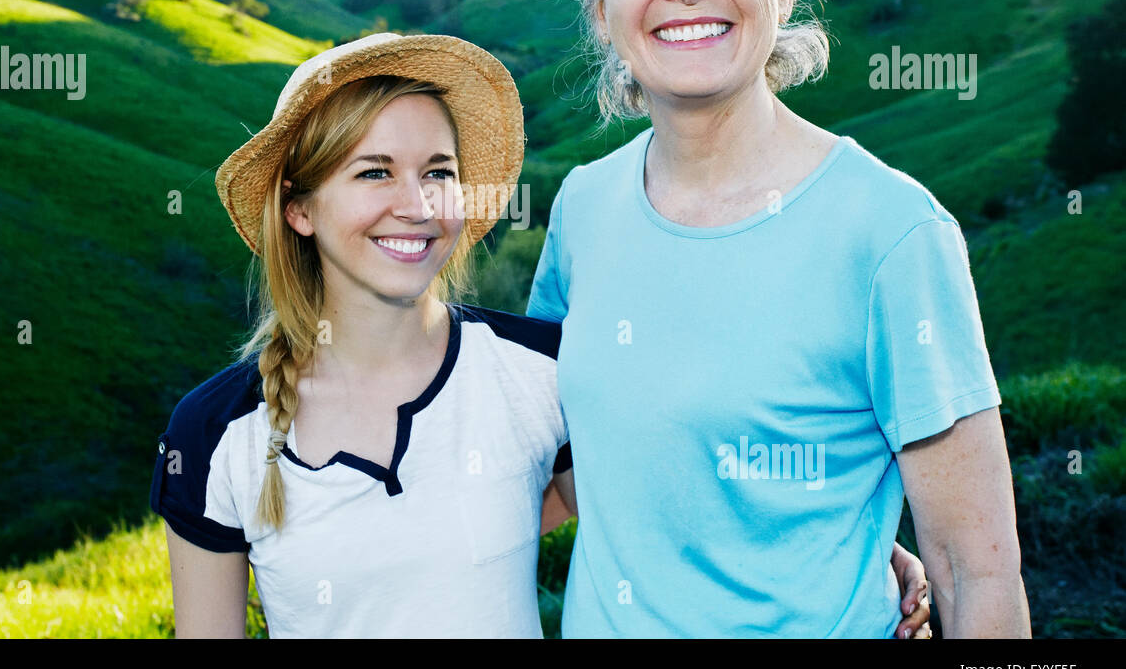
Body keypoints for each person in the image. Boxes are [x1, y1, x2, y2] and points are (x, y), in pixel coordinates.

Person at [149, 32, 934, 637]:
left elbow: (678, 474)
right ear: (299, 209)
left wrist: (857, 553)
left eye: (440, 171)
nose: (418, 204)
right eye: (373, 172)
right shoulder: (215, 434)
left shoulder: (542, 371)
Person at [527, 0, 1030, 637]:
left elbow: (978, 570)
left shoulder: (893, 233)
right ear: (601, 7)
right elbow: (573, 470)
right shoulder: (583, 208)